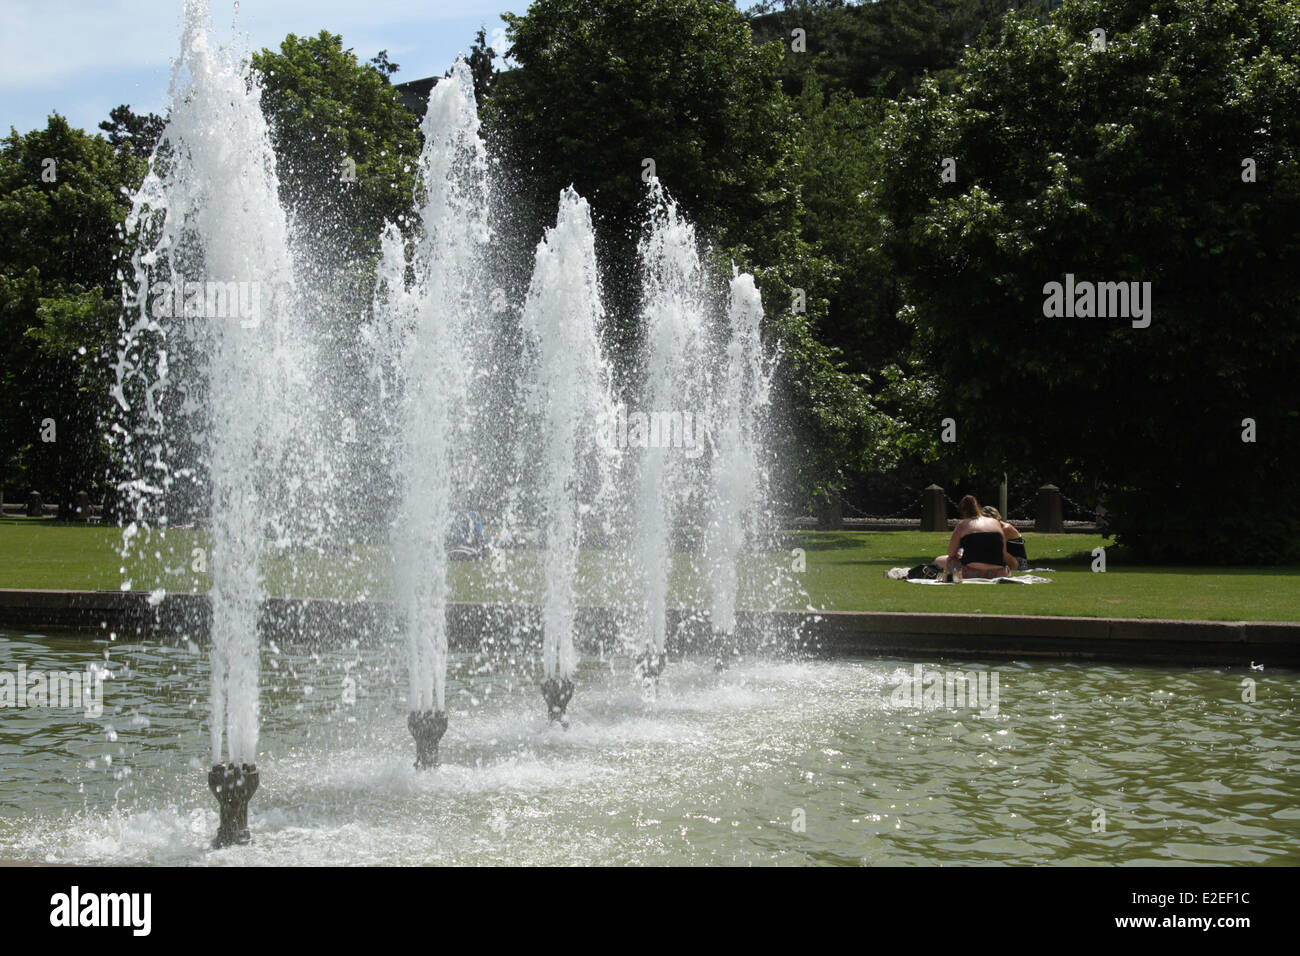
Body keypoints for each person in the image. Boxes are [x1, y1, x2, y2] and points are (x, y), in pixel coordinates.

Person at [931, 494, 1019, 579]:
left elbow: (951, 553)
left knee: (942, 560)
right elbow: (1002, 552)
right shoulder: (995, 522)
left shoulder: (962, 524)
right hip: (1000, 572)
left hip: (971, 572)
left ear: (963, 512)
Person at [983, 505, 1029, 571]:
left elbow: (1001, 551)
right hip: (1007, 558)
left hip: (1018, 562)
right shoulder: (994, 528)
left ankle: (1012, 571)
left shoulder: (1005, 529)